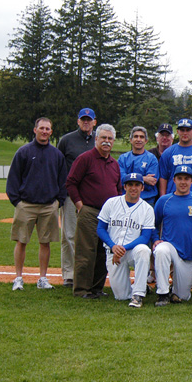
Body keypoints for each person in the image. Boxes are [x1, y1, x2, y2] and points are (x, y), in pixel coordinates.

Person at [7, 117, 67, 291]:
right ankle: (18, 277)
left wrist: (58, 202)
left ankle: (43, 278)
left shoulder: (56, 155)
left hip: (49, 206)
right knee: (21, 241)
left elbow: (63, 181)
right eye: (42, 128)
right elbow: (13, 179)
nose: (44, 131)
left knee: (45, 243)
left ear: (51, 132)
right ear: (35, 130)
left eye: (48, 129)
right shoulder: (24, 151)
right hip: (26, 205)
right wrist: (17, 202)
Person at [65, 124, 121, 299]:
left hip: (108, 215)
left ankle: (96, 288)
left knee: (102, 252)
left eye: (109, 139)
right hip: (89, 211)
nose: (106, 142)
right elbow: (71, 182)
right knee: (86, 252)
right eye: (103, 138)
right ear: (96, 139)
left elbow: (118, 189)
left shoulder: (114, 164)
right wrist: (80, 205)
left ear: (113, 141)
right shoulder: (85, 159)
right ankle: (82, 289)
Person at [153, 165, 192, 306]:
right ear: (174, 180)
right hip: (169, 246)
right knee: (161, 250)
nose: (183, 182)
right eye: (179, 178)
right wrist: (155, 239)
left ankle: (174, 290)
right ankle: (162, 293)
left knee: (183, 296)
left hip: (189, 253)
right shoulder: (164, 201)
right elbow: (153, 224)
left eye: (186, 178)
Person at [96, 173, 154, 307]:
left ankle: (138, 294)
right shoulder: (111, 203)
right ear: (124, 187)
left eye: (137, 185)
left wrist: (122, 248)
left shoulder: (147, 209)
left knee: (144, 251)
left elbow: (145, 237)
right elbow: (100, 229)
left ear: (142, 188)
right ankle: (141, 288)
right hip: (113, 251)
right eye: (130, 185)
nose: (133, 188)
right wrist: (113, 246)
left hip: (132, 251)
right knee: (121, 296)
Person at [57, 107, 97, 287]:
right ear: (78, 121)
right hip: (71, 195)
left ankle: (89, 272)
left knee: (92, 235)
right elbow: (59, 167)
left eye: (89, 119)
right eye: (83, 119)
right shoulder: (66, 140)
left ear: (94, 122)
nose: (86, 122)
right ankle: (69, 274)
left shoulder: (99, 138)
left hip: (92, 195)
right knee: (69, 234)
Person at [158, 119, 192, 201]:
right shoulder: (168, 153)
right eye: (182, 130)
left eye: (188, 130)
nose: (185, 133)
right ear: (177, 132)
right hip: (173, 198)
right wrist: (163, 199)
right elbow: (163, 178)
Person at [118, 126, 159, 207]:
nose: (138, 139)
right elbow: (121, 179)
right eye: (136, 136)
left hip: (147, 200)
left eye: (141, 137)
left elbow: (152, 181)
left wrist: (129, 178)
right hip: (126, 200)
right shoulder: (123, 158)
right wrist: (144, 179)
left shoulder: (151, 159)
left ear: (146, 141)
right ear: (131, 140)